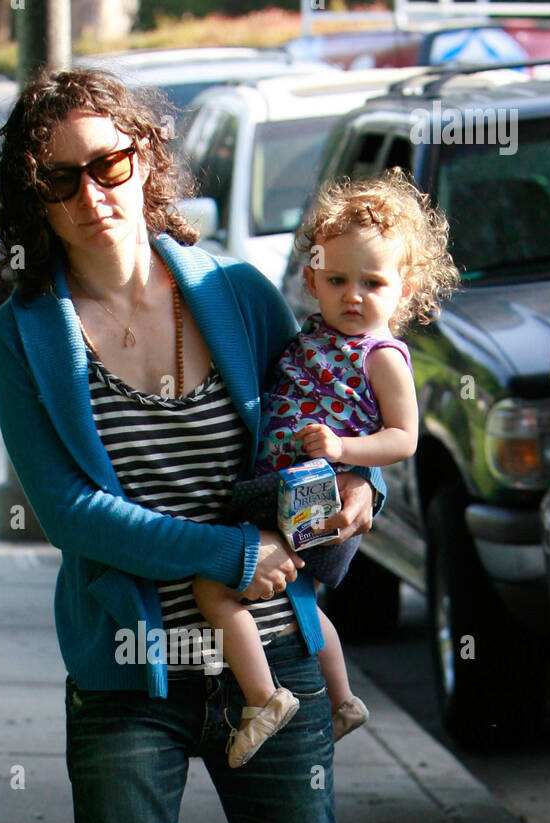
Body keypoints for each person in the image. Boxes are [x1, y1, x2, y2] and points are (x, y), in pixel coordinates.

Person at [0, 68, 387, 823]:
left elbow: (297, 442)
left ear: (144, 163)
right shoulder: (25, 333)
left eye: (111, 162)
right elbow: (68, 509)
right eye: (61, 176)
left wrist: (344, 504)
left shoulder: (230, 295)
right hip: (126, 673)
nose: (93, 190)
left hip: (266, 651)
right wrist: (222, 547)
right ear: (36, 199)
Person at [194, 169, 459, 768]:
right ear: (311, 279)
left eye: (372, 282)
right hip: (288, 489)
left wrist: (344, 453)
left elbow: (404, 438)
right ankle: (341, 701)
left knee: (214, 585)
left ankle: (265, 700)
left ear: (407, 288)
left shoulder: (382, 355)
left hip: (311, 492)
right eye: (337, 279)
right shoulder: (311, 335)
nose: (353, 295)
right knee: (301, 602)